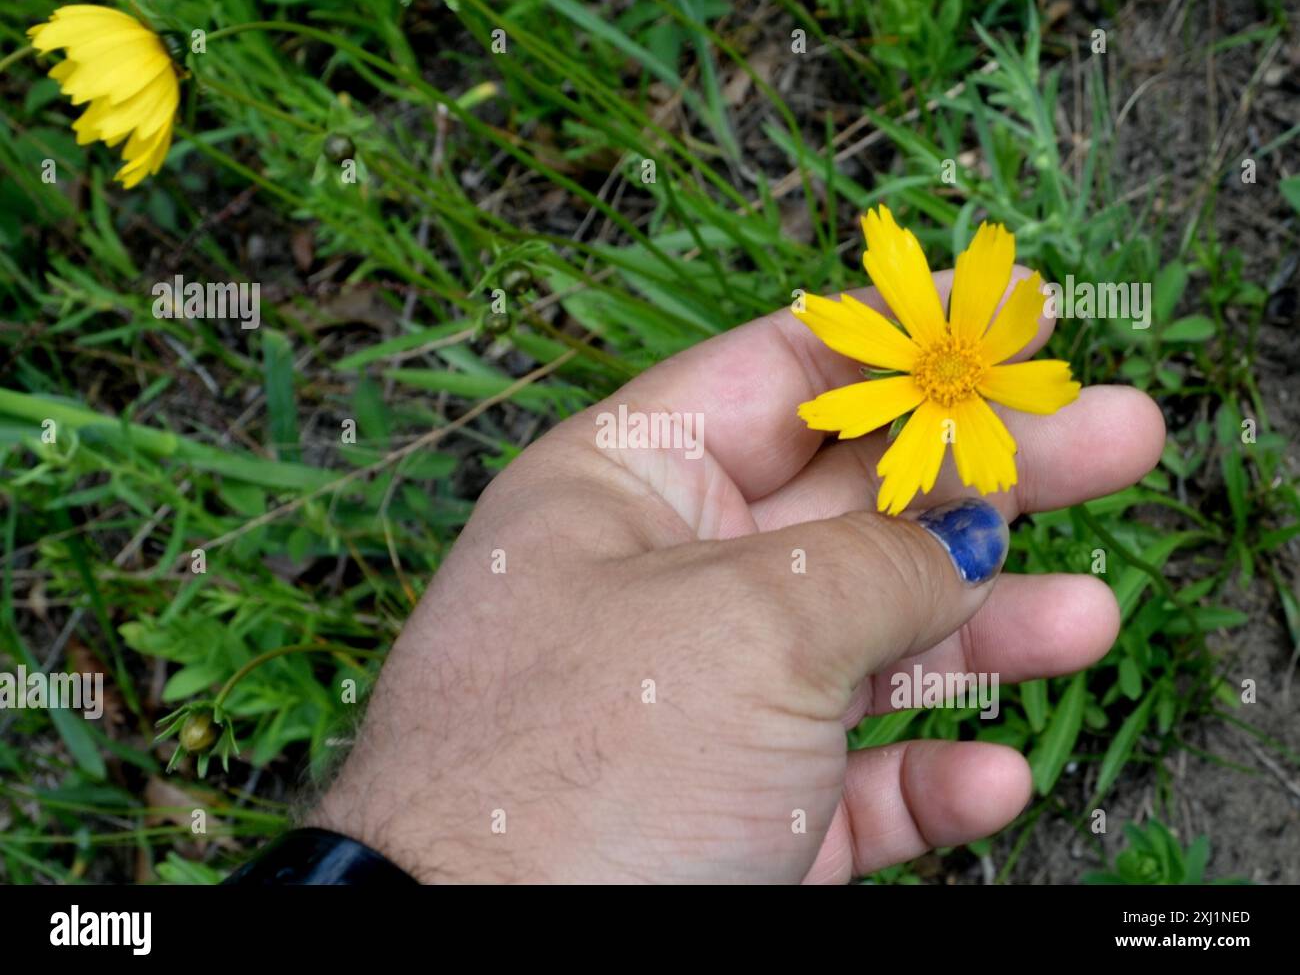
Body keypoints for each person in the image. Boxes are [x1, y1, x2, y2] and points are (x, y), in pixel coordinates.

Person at [227, 266, 1164, 884]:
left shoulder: (982, 390)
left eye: (957, 360)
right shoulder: (893, 391)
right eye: (942, 358)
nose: (951, 363)